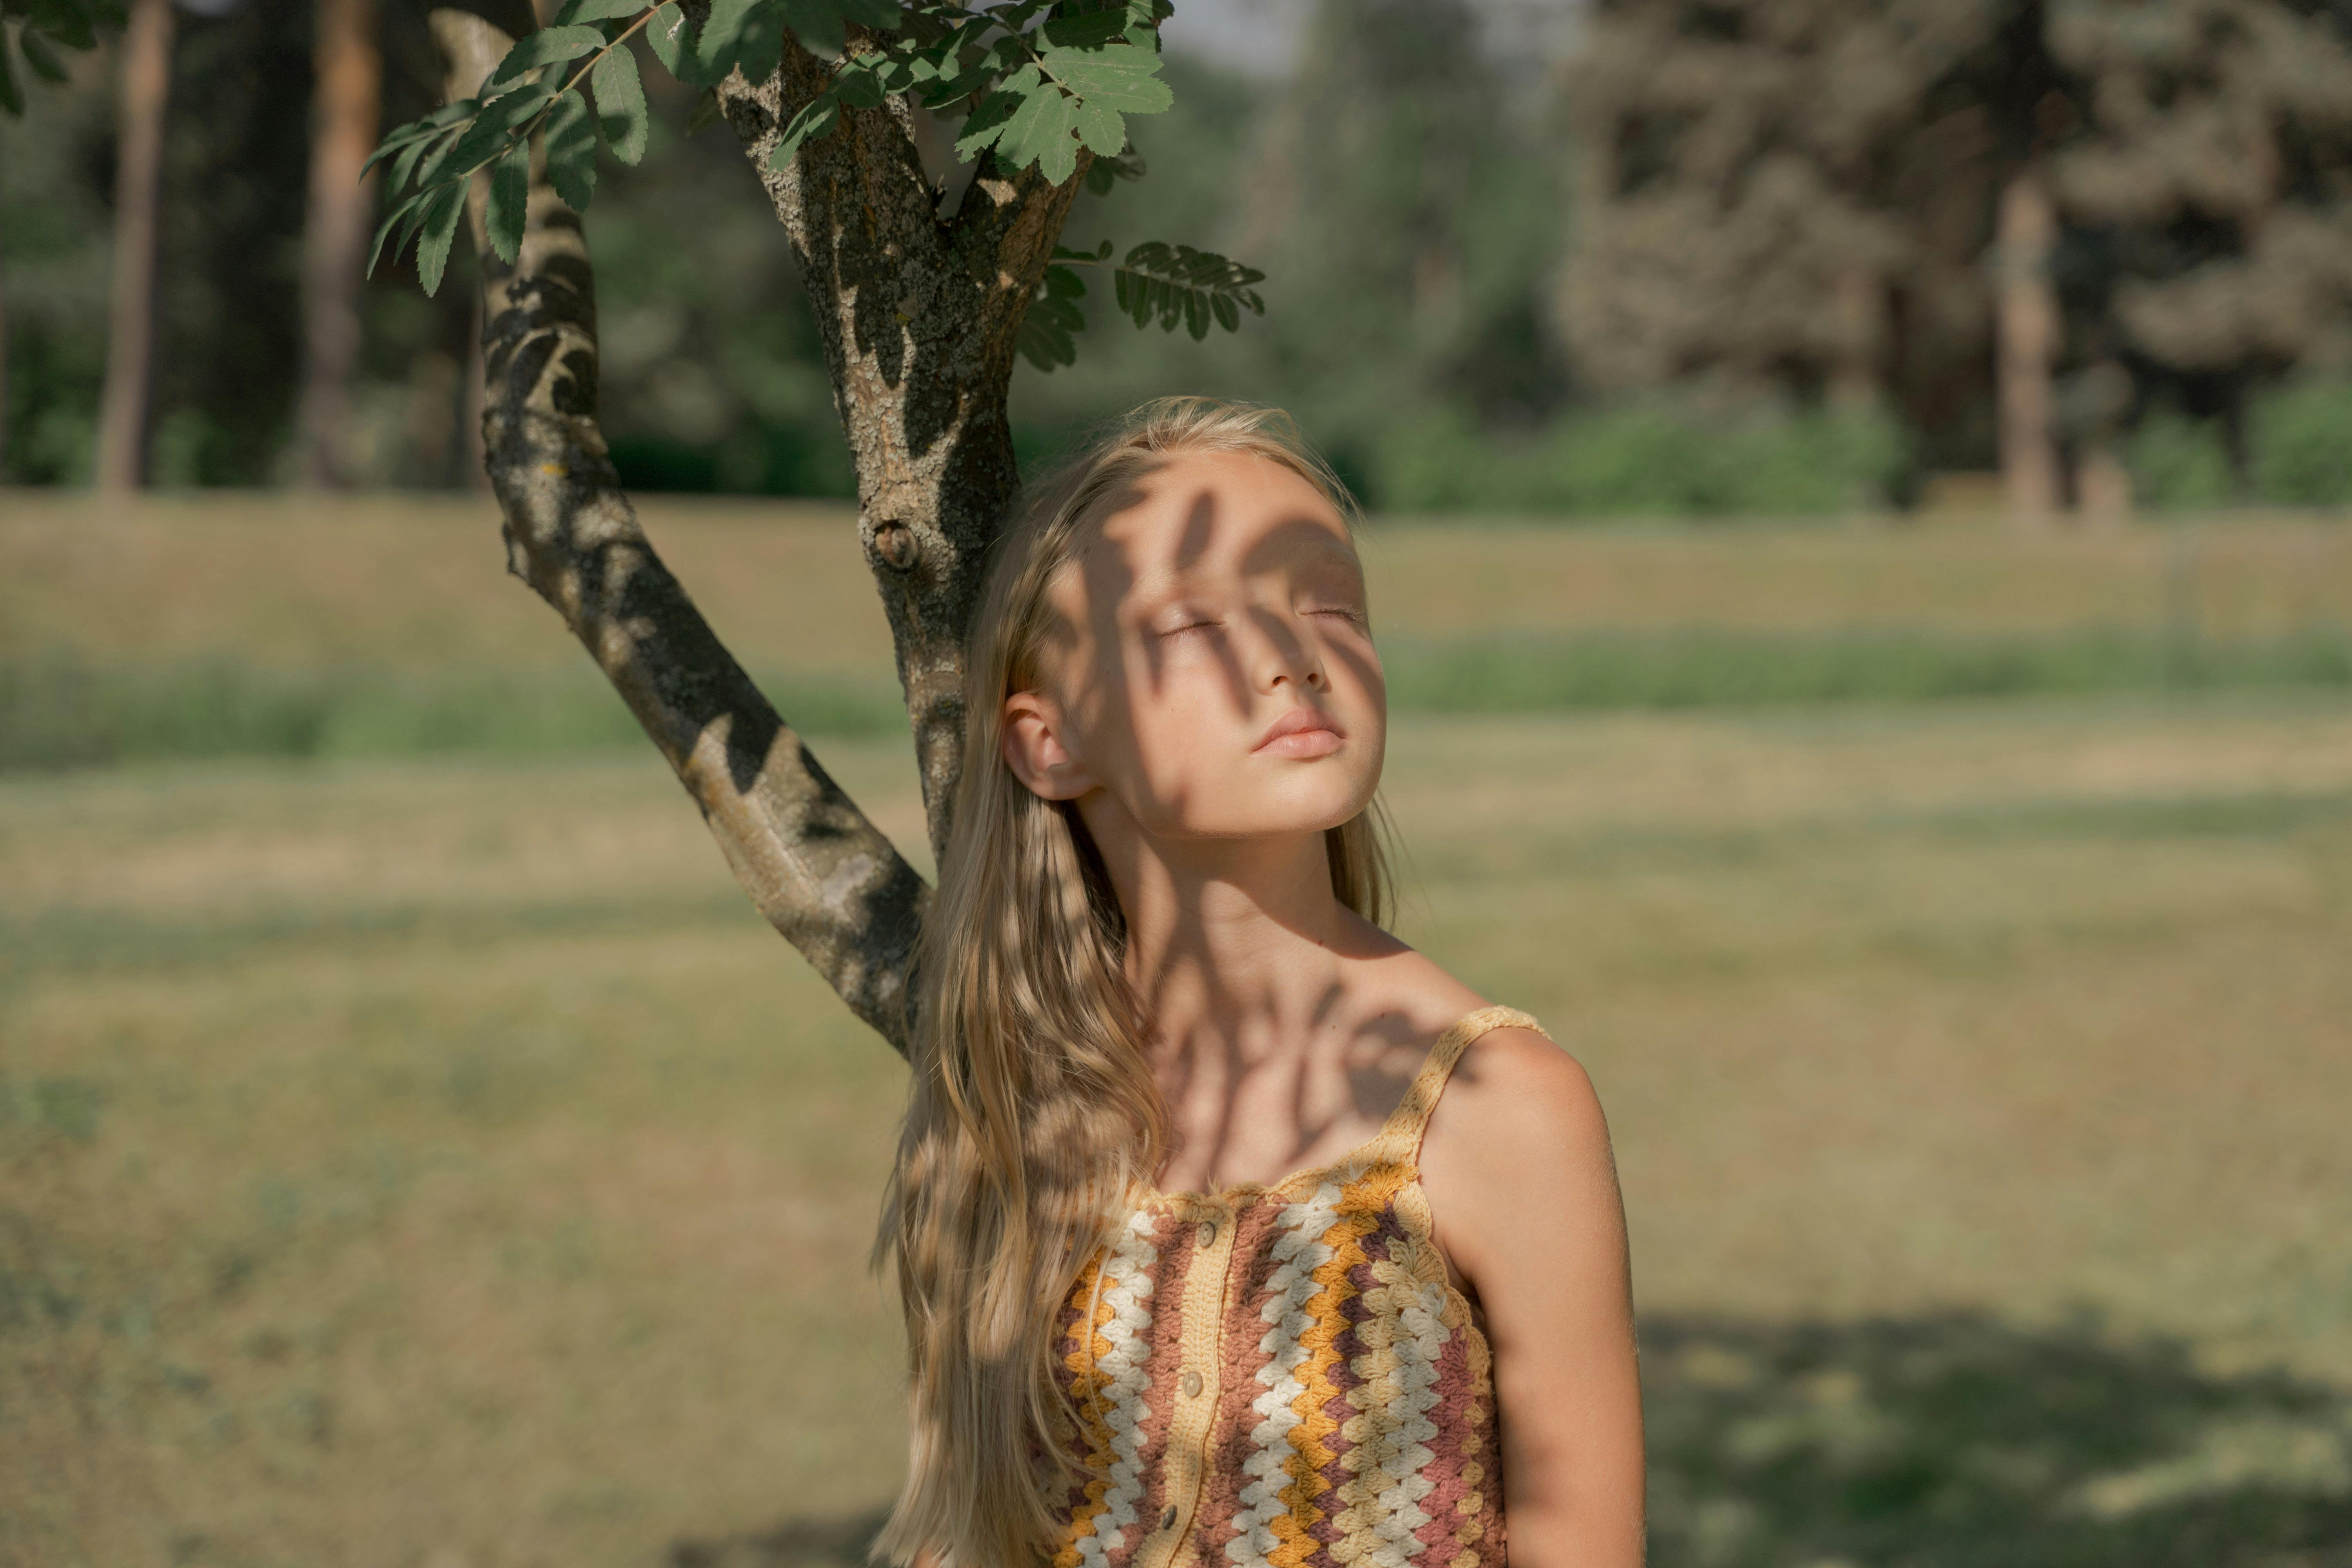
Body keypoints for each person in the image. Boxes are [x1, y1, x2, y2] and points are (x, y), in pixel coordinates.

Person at [875, 398, 1643, 1568]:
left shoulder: (1499, 1109)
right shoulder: (1013, 1108)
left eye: (1330, 605)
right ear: (1051, 740)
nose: (1292, 654)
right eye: (1190, 623)